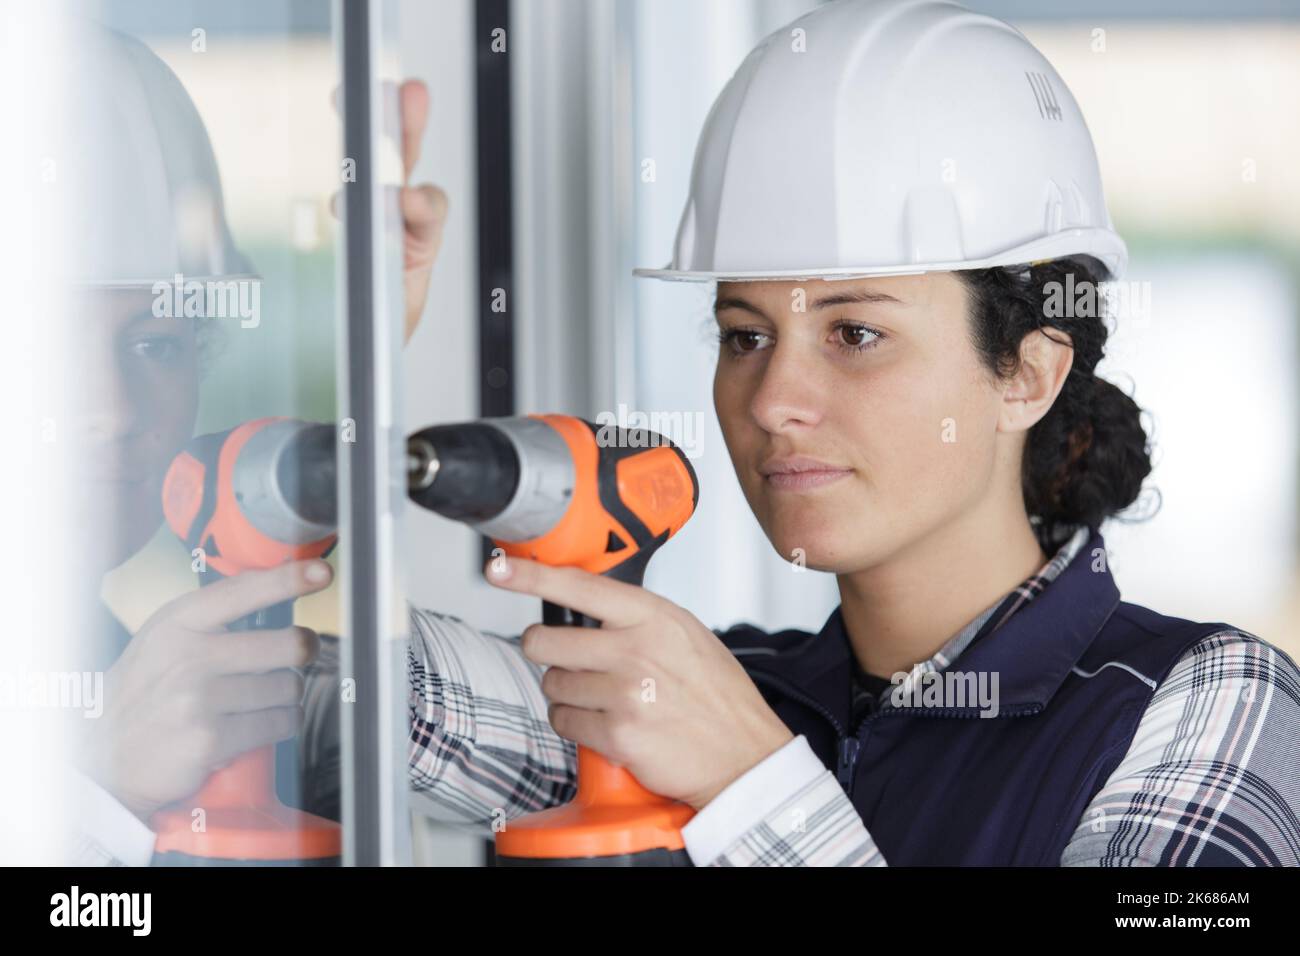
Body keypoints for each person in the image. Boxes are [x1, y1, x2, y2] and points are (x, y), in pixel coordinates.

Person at [398, 0, 1300, 865]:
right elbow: (341, 698)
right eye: (746, 335)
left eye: (856, 334)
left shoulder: (1200, 705)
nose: (771, 399)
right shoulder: (713, 694)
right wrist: (369, 362)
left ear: (1027, 374)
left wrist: (752, 788)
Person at [41, 22, 445, 864]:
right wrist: (94, 796)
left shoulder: (122, 671)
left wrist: (372, 369)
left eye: (156, 345)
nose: (112, 412)